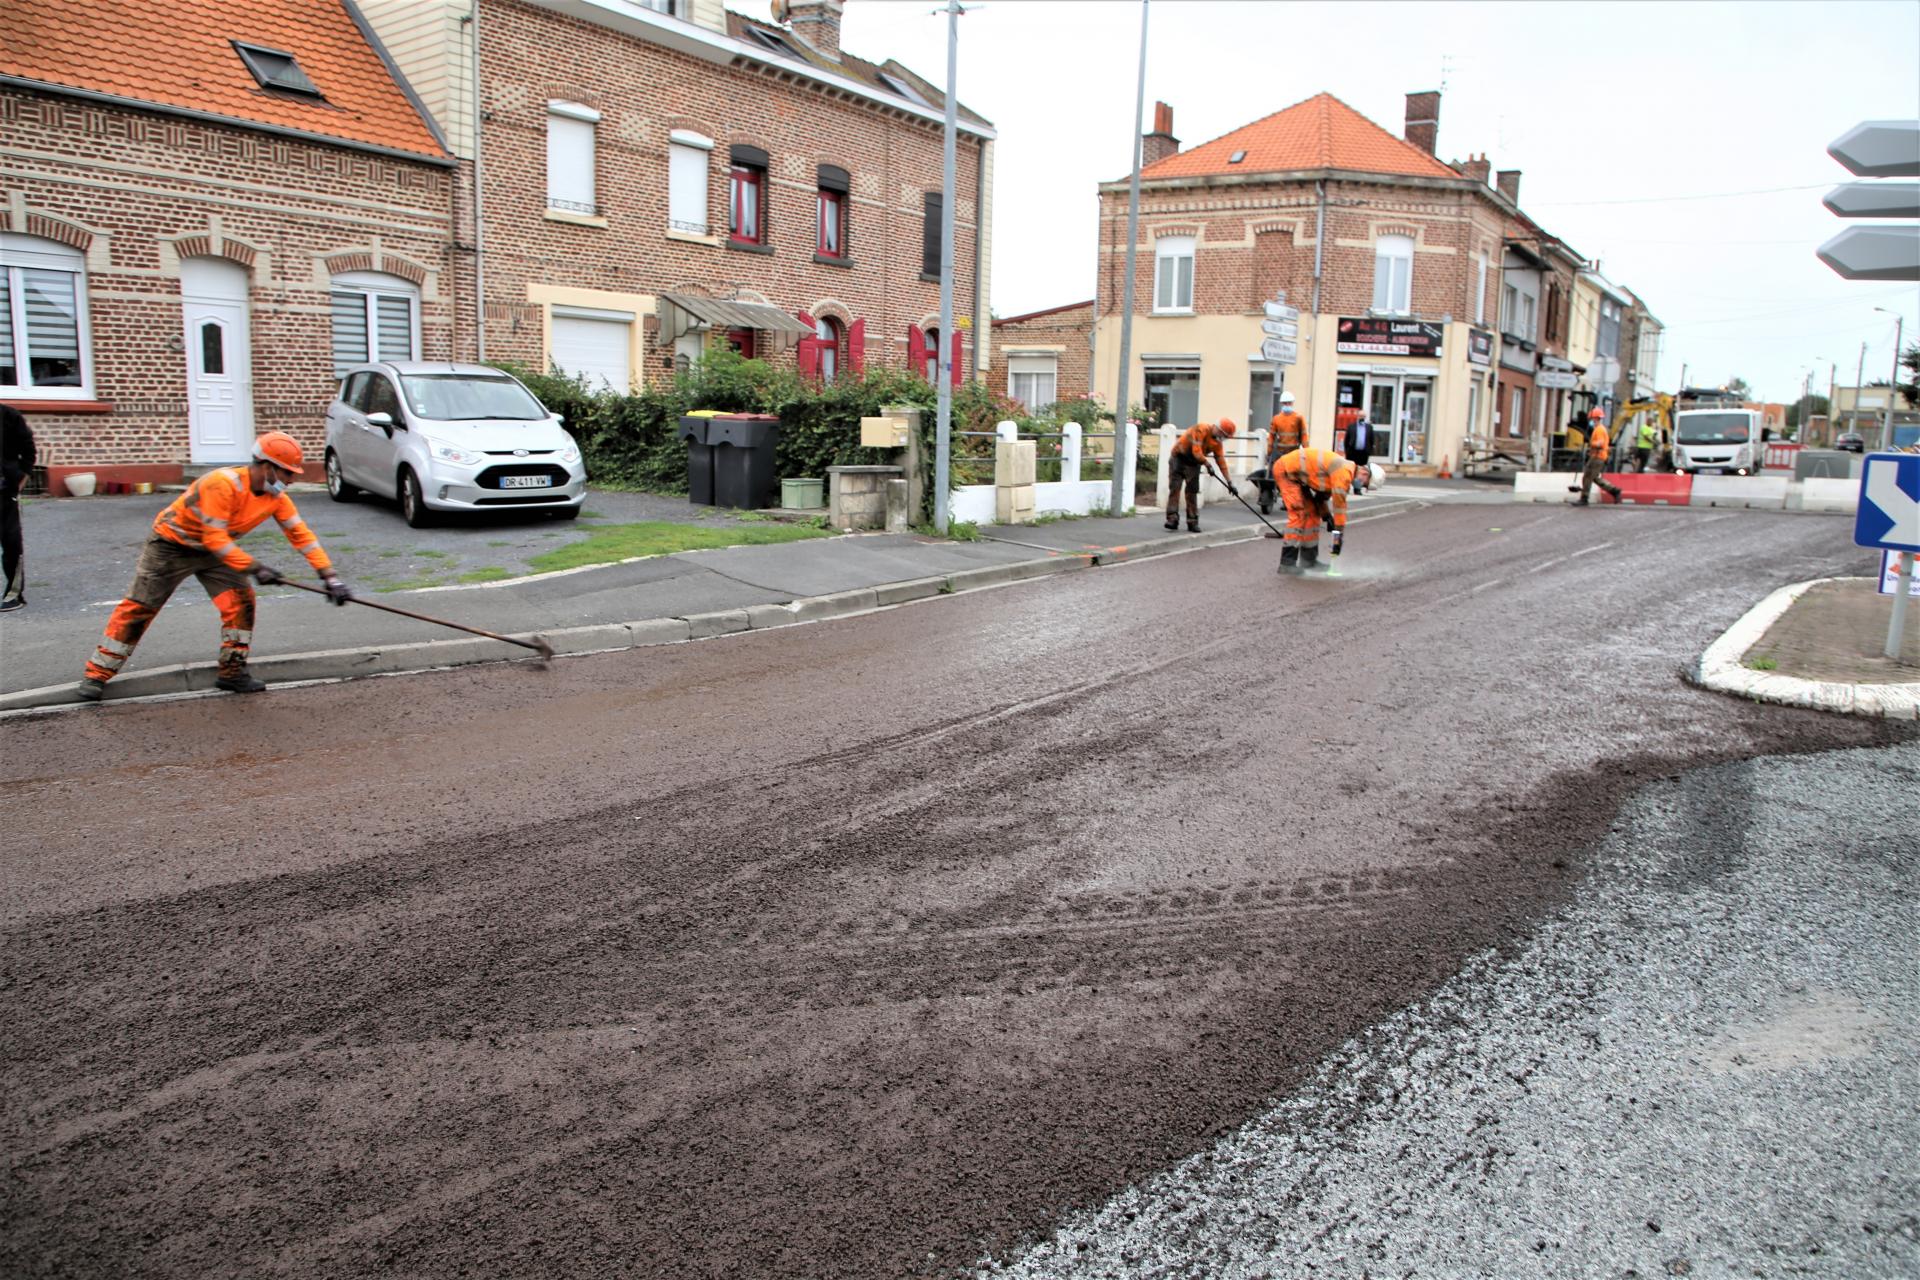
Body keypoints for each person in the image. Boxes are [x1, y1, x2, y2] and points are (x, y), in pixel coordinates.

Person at [76, 432, 352, 700]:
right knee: (141, 606)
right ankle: (96, 675)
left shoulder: (275, 499)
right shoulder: (222, 483)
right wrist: (256, 568)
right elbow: (215, 537)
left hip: (216, 553)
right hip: (171, 547)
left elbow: (301, 536)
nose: (291, 480)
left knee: (241, 603)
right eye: (288, 473)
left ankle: (231, 671)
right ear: (268, 467)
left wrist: (330, 577)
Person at [1274, 446, 1383, 572]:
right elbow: (1339, 506)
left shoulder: (1343, 472)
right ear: (1365, 473)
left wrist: (1326, 516)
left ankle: (1308, 561)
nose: (1362, 486)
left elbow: (1320, 498)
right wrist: (1339, 533)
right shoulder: (1344, 474)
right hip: (1286, 472)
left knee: (1314, 514)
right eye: (1365, 484)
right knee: (1299, 514)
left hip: (1297, 476)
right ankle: (1286, 563)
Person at [1165, 417, 1238, 533]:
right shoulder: (1201, 429)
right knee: (1175, 489)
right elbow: (1196, 451)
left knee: (1192, 492)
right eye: (1223, 435)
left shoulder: (1217, 442)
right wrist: (1207, 464)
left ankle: (1192, 522)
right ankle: (1172, 519)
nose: (1222, 439)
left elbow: (1221, 461)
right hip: (1178, 458)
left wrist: (1230, 483)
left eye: (1224, 437)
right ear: (1218, 429)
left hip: (1194, 463)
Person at [1, 403, 33, 612]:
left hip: (3, 489)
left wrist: (22, 476)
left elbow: (28, 448)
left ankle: (14, 594)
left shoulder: (9, 416)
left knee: (11, 542)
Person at [1568, 412, 1624, 506]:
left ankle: (1585, 498)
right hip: (1596, 456)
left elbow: (1600, 444)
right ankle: (1614, 491)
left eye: (1591, 418)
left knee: (1588, 477)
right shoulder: (1598, 429)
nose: (1590, 420)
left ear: (1595, 418)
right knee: (1592, 477)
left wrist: (1590, 443)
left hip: (1598, 457)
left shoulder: (1599, 430)